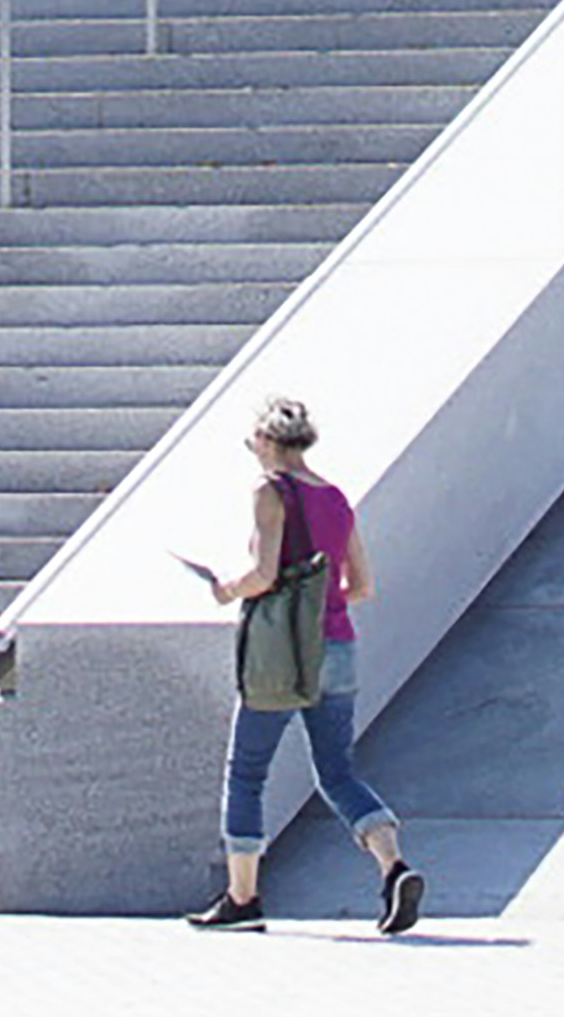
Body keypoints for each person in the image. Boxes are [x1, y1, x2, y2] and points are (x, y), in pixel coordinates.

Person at [179, 396, 423, 934]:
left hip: (280, 654)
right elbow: (362, 586)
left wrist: (225, 590)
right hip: (337, 646)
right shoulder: (336, 498)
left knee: (246, 774)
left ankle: (243, 900)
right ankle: (394, 867)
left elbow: (264, 573)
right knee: (338, 773)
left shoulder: (270, 491)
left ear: (268, 441)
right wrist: (319, 601)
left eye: (253, 443)